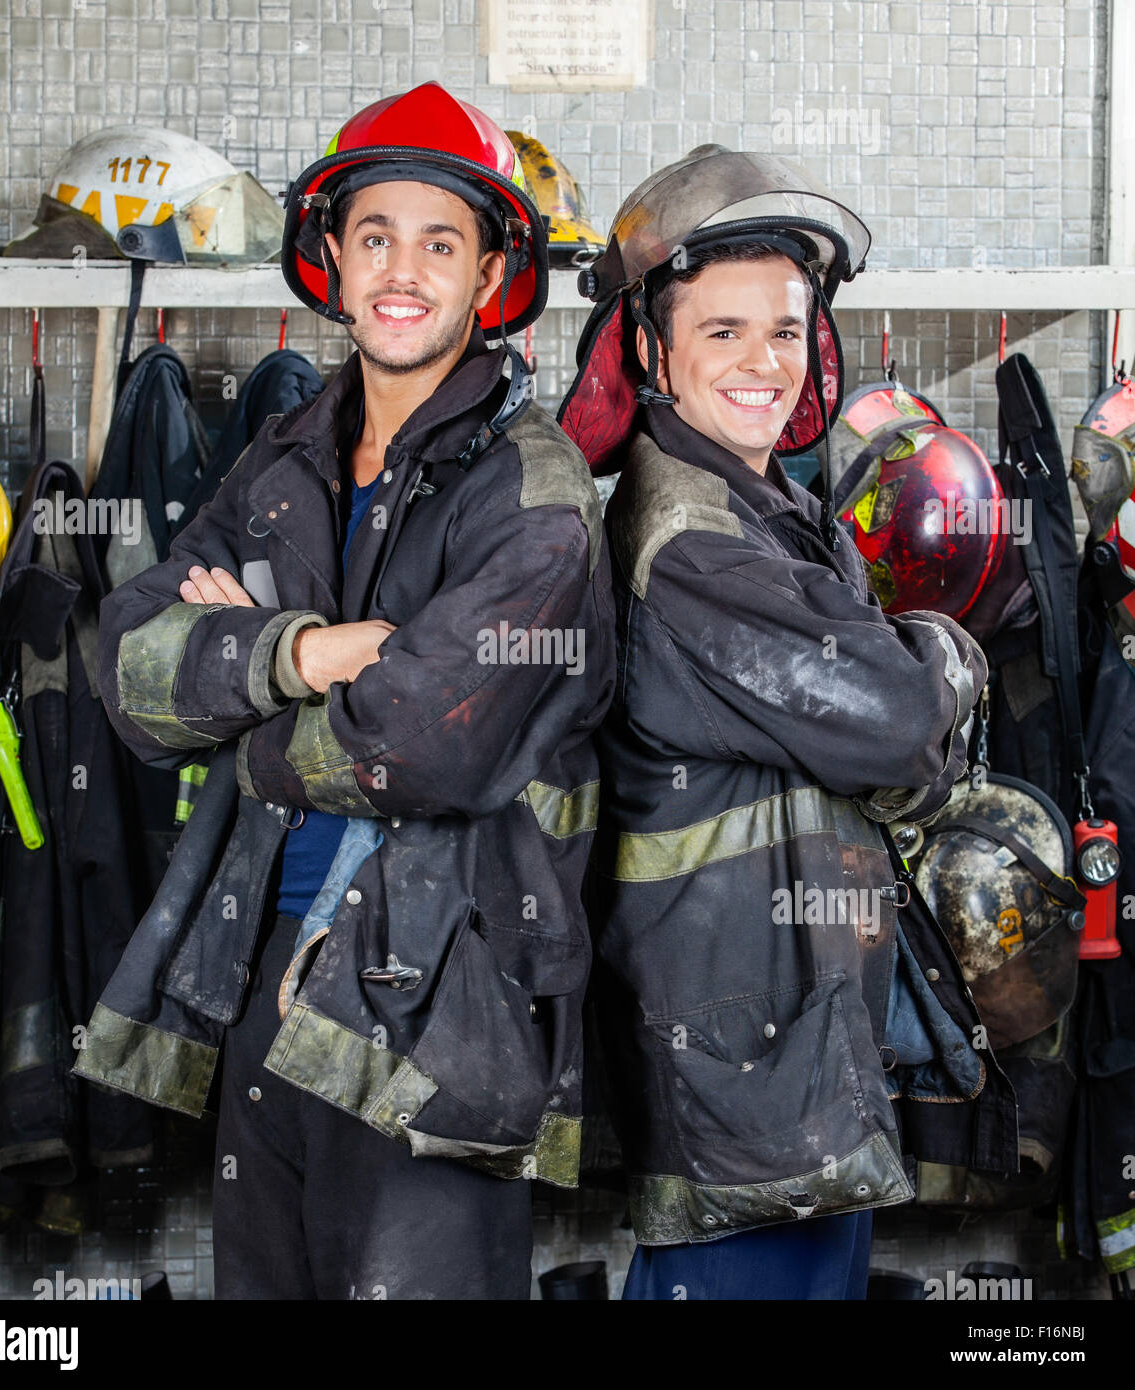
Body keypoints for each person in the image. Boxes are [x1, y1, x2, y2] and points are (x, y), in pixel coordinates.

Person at [75, 82, 614, 1300]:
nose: (403, 270)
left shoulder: (533, 487)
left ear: (489, 277)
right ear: (331, 257)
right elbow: (125, 667)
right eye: (376, 236)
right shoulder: (282, 460)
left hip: (442, 1002)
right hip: (268, 973)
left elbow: (428, 745)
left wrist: (246, 733)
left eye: (440, 242)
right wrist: (304, 656)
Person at [559, 147, 1017, 1300]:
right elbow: (900, 720)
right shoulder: (695, 543)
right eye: (722, 332)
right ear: (652, 352)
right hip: (741, 1083)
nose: (763, 363)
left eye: (782, 331)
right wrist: (947, 651)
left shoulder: (767, 511)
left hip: (788, 1064)